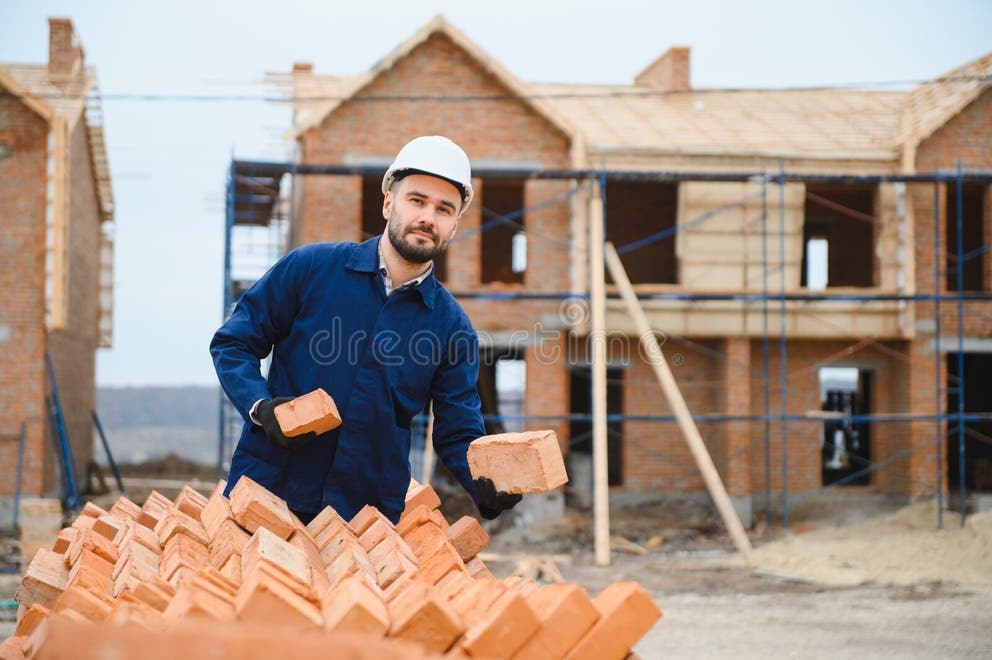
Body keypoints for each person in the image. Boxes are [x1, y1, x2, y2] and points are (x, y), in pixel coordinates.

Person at [210, 135, 521, 525]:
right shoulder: (310, 269)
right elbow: (233, 343)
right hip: (269, 495)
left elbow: (457, 429)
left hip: (363, 519)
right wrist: (262, 407)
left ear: (455, 226)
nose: (428, 217)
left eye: (444, 209)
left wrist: (485, 484)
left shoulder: (451, 326)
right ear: (389, 202)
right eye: (417, 200)